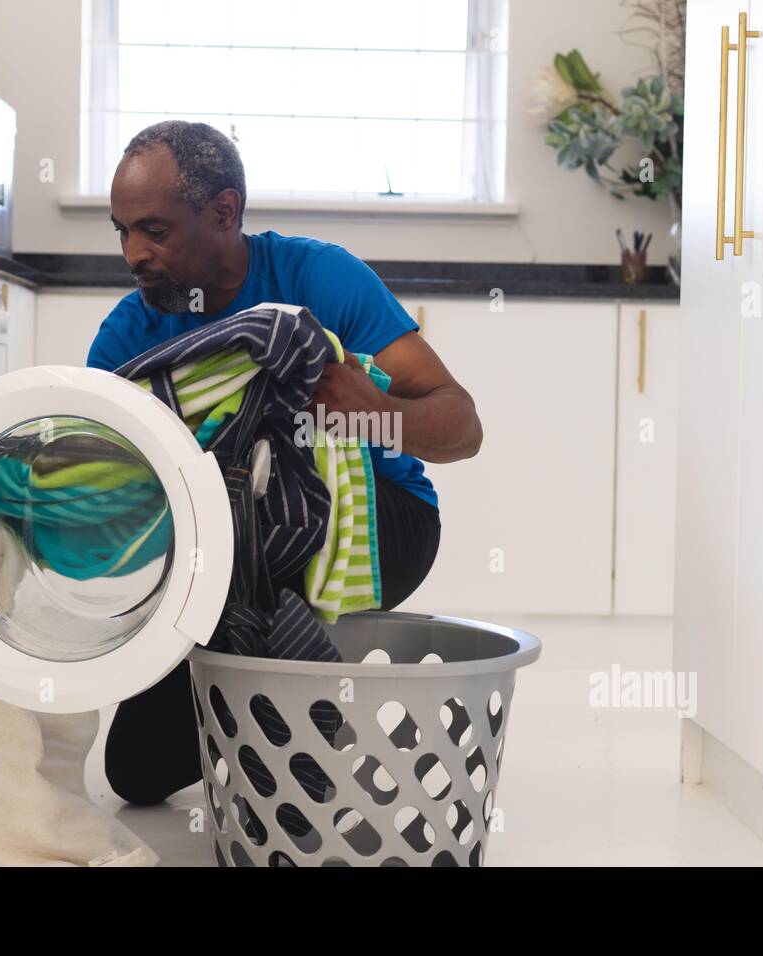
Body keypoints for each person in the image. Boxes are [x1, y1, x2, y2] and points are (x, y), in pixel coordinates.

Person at [87, 121, 483, 805]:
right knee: (137, 770)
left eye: (154, 230)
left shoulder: (316, 277)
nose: (133, 254)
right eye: (121, 231)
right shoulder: (132, 329)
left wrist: (372, 413)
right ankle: (286, 720)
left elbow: (462, 426)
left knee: (271, 452)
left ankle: (297, 749)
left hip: (385, 524)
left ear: (224, 212)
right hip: (219, 553)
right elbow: (104, 474)